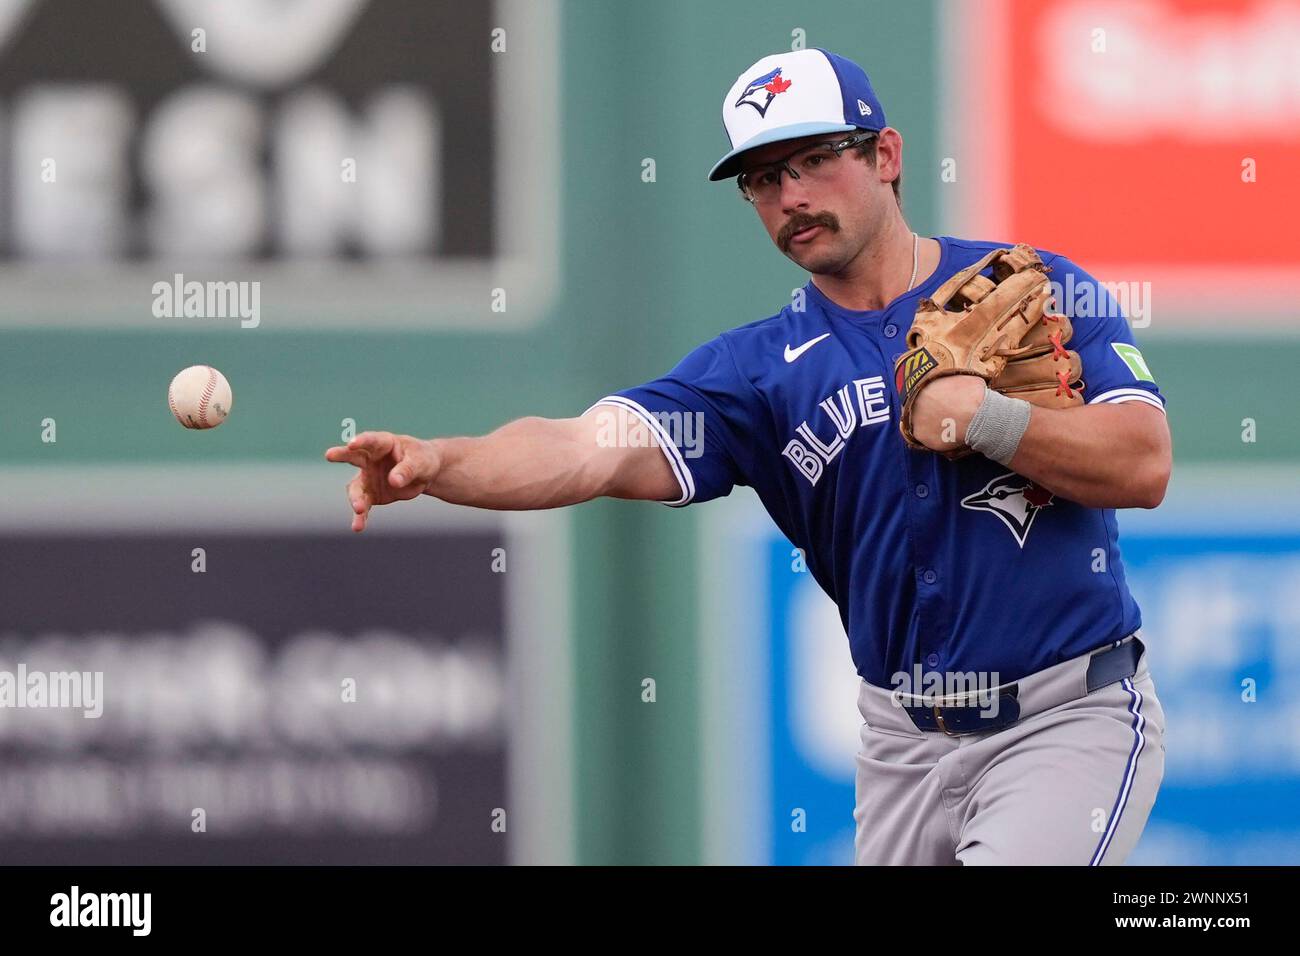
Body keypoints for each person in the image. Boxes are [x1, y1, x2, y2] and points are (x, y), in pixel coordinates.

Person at [325, 48, 1172, 865]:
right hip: (902, 747)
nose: (790, 196)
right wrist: (441, 463)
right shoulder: (757, 372)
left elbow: (1144, 465)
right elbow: (586, 448)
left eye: (812, 161)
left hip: (1066, 717)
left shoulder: (1034, 287)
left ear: (886, 154)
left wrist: (986, 417)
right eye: (764, 180)